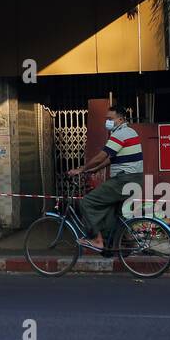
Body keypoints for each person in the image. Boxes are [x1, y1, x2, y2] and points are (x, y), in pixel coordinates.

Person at [67, 105, 143, 252]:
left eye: (110, 119)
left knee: (87, 202)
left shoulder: (119, 134)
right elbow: (110, 158)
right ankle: (127, 242)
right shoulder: (130, 132)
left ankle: (96, 239)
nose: (107, 121)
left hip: (123, 180)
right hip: (134, 180)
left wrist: (81, 169)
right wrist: (95, 169)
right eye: (106, 119)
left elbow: (102, 156)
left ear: (120, 119)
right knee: (114, 213)